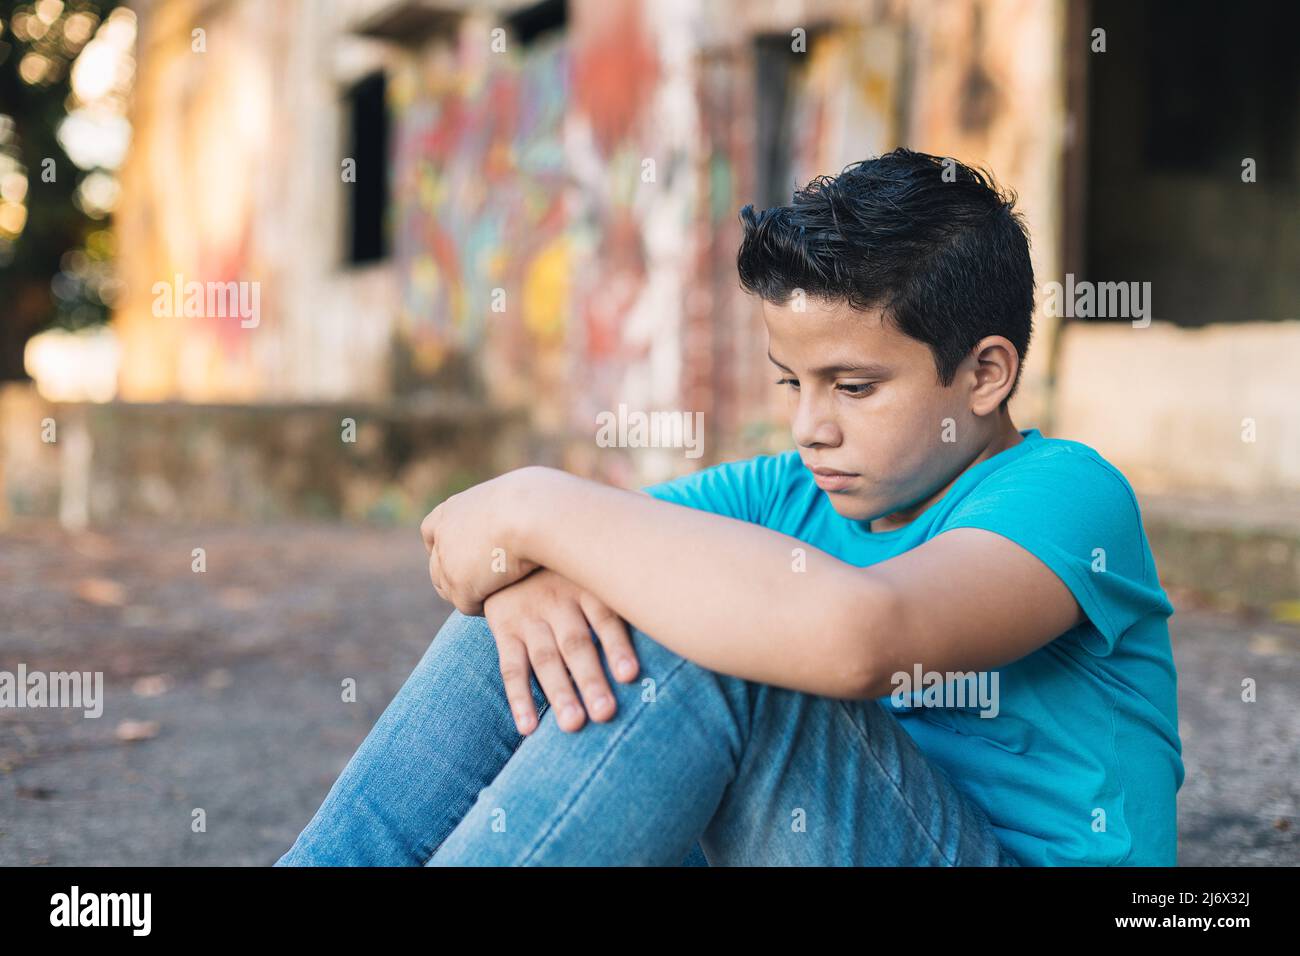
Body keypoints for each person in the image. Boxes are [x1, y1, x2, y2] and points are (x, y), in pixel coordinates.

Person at [276, 148, 1182, 867]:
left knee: (704, 640)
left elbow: (864, 639)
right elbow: (466, 549)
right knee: (568, 606)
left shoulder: (1065, 493)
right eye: (792, 383)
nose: (809, 428)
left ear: (986, 373)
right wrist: (527, 558)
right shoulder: (779, 492)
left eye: (854, 387)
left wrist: (536, 505)